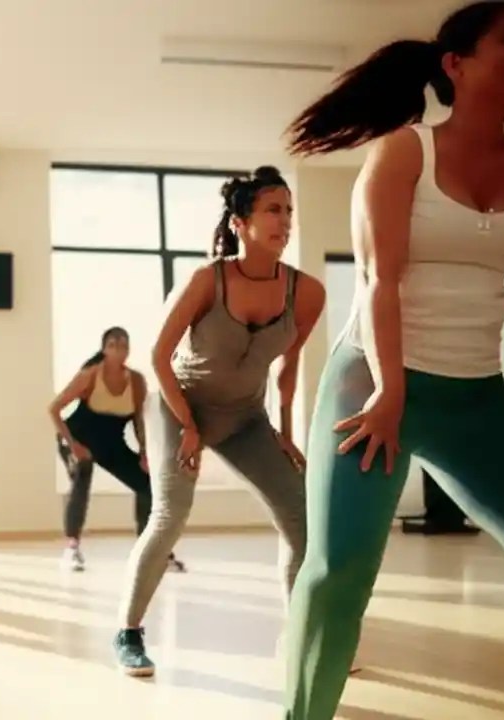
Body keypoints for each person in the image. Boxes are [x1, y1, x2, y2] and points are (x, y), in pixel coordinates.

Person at [281, 3, 504, 717]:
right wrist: (388, 392)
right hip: (373, 390)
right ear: (456, 64)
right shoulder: (405, 150)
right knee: (337, 571)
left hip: (475, 394)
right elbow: (381, 279)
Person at [112, 167, 326, 677]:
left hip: (246, 418)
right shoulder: (207, 280)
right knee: (171, 516)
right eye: (273, 210)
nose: (285, 221)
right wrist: (187, 424)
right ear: (240, 222)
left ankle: (299, 634)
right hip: (177, 405)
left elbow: (288, 369)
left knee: (302, 518)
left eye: (289, 211)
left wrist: (286, 432)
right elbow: (159, 355)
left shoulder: (307, 292)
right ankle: (128, 632)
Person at [49, 327, 184, 573]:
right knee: (83, 470)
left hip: (111, 442)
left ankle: (151, 551)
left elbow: (139, 422)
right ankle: (72, 548)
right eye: (113, 344)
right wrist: (73, 445)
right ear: (104, 349)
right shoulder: (90, 375)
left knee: (147, 483)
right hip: (77, 437)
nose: (119, 349)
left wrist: (145, 453)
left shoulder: (136, 381)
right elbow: (54, 409)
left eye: (124, 344)